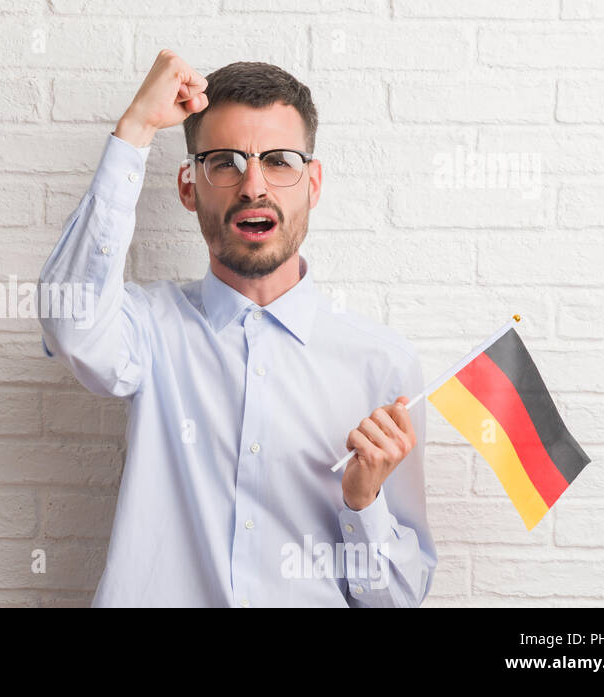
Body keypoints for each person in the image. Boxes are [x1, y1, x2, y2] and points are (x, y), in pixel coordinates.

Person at [38, 50, 436, 607]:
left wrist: (363, 504)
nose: (253, 186)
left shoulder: (383, 366)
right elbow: (70, 327)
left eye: (278, 160)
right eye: (224, 162)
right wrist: (135, 131)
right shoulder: (147, 329)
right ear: (187, 186)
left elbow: (394, 602)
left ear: (313, 184)